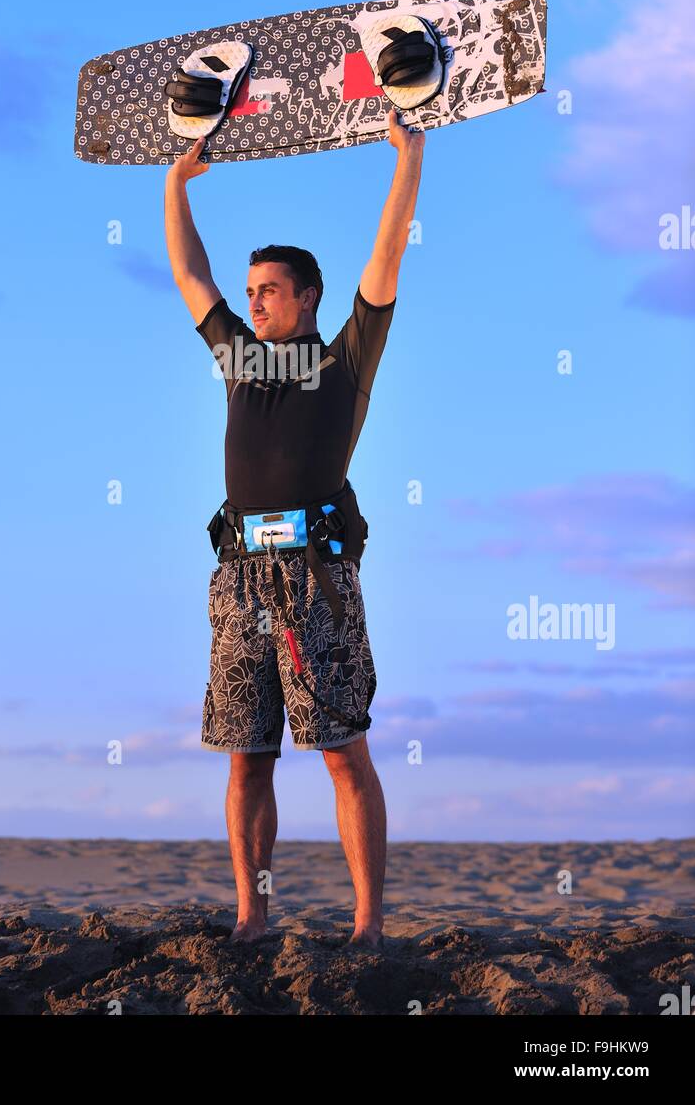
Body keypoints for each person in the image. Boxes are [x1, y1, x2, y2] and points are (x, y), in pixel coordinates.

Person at [163, 110, 425, 948]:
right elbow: (189, 274)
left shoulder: (345, 360)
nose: (253, 304)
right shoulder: (240, 362)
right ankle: (252, 914)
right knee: (247, 756)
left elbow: (384, 261)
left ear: (307, 297)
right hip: (239, 580)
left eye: (268, 292)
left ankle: (369, 925)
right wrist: (175, 185)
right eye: (251, 295)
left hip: (318, 578)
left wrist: (406, 160)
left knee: (343, 752)